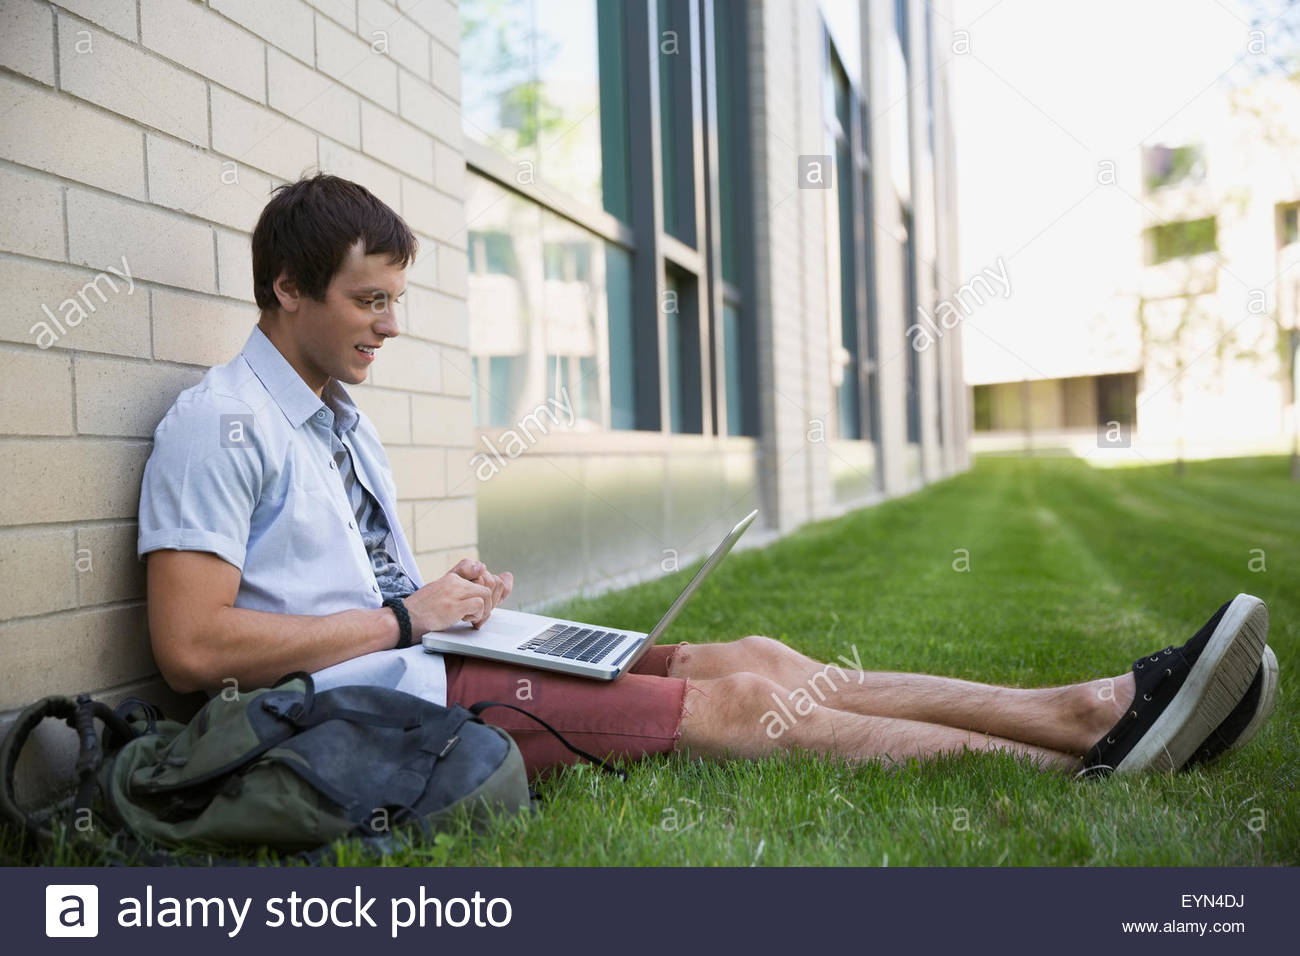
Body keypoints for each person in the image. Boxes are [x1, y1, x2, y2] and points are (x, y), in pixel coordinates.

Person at [139, 174, 1279, 783]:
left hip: (424, 656)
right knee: (736, 708)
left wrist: (444, 598)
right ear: (287, 287)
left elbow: (337, 591)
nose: (391, 324)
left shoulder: (338, 418)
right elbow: (191, 651)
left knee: (765, 660)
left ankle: (1087, 707)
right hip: (370, 712)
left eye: (398, 297)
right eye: (368, 299)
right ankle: (1095, 748)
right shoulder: (219, 423)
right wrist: (403, 613)